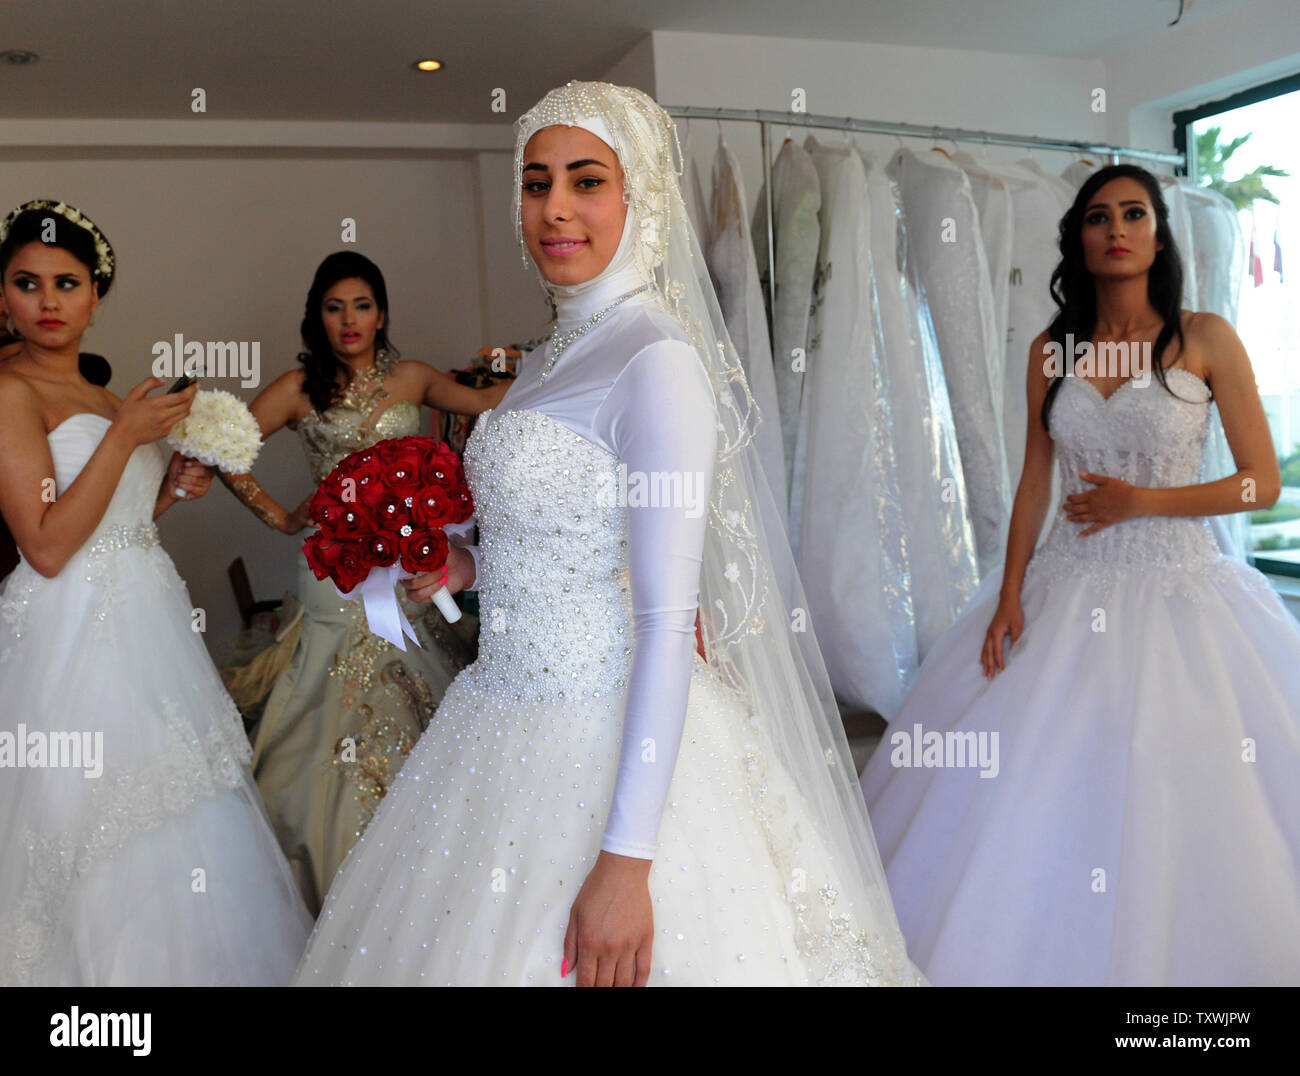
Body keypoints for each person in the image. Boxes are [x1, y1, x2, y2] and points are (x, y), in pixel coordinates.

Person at [293, 81, 924, 987]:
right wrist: (462, 562)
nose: (555, 209)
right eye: (536, 182)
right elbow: (564, 541)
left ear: (641, 196)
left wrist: (628, 862)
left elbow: (669, 620)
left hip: (610, 730)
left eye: (586, 181)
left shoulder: (655, 359)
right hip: (500, 712)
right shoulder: (550, 355)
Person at [860, 165, 1300, 986]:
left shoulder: (1203, 338)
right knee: (1020, 788)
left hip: (1178, 588)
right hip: (1066, 583)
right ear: (1081, 240)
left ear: (1159, 234)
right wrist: (1010, 593)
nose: (1117, 229)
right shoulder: (1051, 349)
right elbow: (1036, 480)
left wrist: (1145, 501)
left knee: (1176, 783)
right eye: (1099, 217)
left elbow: (1259, 483)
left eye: (1134, 214)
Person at [0, 199, 312, 985]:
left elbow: (113, 525)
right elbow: (43, 544)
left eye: (66, 283)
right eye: (26, 283)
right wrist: (128, 441)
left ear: (95, 296)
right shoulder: (10, 392)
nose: (47, 302)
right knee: (89, 836)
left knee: (179, 827)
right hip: (66, 648)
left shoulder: (112, 402)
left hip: (148, 632)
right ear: (2, 295)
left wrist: (165, 490)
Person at [217, 250, 507, 915]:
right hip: (332, 569)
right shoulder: (298, 388)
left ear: (382, 314)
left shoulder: (412, 377)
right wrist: (284, 515)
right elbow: (225, 446)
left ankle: (414, 863)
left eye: (363, 306)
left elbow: (490, 402)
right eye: (334, 307)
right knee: (331, 694)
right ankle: (328, 869)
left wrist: (557, 368)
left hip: (406, 566)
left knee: (416, 679)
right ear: (317, 317)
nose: (349, 321)